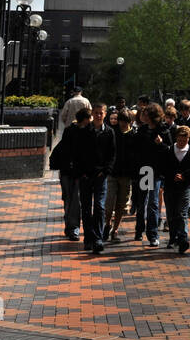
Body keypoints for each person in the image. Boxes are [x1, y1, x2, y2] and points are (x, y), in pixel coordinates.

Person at [70, 103, 117, 253]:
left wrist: (106, 171)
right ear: (92, 115)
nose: (98, 115)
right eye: (95, 113)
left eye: (100, 113)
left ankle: (97, 238)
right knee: (86, 208)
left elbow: (112, 154)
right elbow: (76, 154)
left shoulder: (109, 132)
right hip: (85, 176)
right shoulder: (84, 132)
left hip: (100, 176)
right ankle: (88, 238)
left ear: (105, 114)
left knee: (99, 206)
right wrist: (81, 173)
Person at [159, 125, 190, 254]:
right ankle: (173, 238)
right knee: (171, 214)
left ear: (188, 139)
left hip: (185, 187)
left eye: (185, 140)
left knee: (182, 213)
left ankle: (183, 239)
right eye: (180, 139)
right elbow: (163, 167)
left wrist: (184, 175)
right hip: (170, 186)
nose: (182, 142)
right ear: (176, 138)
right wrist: (173, 175)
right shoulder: (169, 150)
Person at [134, 104, 171, 246]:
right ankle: (139, 230)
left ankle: (153, 234)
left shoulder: (163, 130)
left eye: (146, 113)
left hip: (156, 171)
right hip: (145, 170)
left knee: (153, 203)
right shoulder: (142, 130)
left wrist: (161, 144)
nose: (143, 116)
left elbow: (169, 150)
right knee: (142, 202)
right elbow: (136, 150)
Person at [49, 105, 84, 240]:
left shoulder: (70, 130)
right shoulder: (73, 132)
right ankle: (71, 226)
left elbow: (63, 116)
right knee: (72, 199)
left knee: (71, 199)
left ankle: (71, 226)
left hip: (71, 172)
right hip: (70, 171)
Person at [105, 107, 135, 242]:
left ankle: (115, 230)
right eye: (121, 120)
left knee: (121, 205)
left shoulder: (134, 135)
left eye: (126, 121)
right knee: (109, 202)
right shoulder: (112, 132)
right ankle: (107, 225)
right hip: (112, 173)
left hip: (126, 175)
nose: (123, 123)